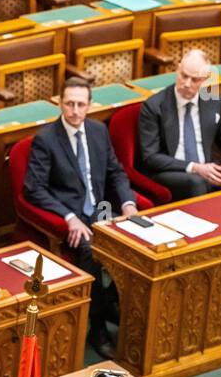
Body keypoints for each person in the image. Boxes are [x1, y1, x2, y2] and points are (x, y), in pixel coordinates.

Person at [24, 78, 137, 360]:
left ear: (89, 106)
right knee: (92, 252)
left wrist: (128, 203)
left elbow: (115, 173)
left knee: (136, 241)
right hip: (73, 215)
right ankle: (97, 328)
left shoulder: (98, 131)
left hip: (101, 211)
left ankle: (117, 305)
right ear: (60, 103)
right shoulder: (46, 139)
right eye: (69, 104)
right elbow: (33, 188)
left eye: (80, 104)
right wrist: (69, 217)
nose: (74, 110)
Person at [136, 50, 221, 200]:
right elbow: (151, 157)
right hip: (168, 172)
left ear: (205, 79)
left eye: (195, 79)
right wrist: (195, 168)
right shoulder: (154, 106)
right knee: (197, 182)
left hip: (206, 171)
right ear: (177, 70)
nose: (187, 84)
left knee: (214, 180)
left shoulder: (214, 104)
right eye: (184, 76)